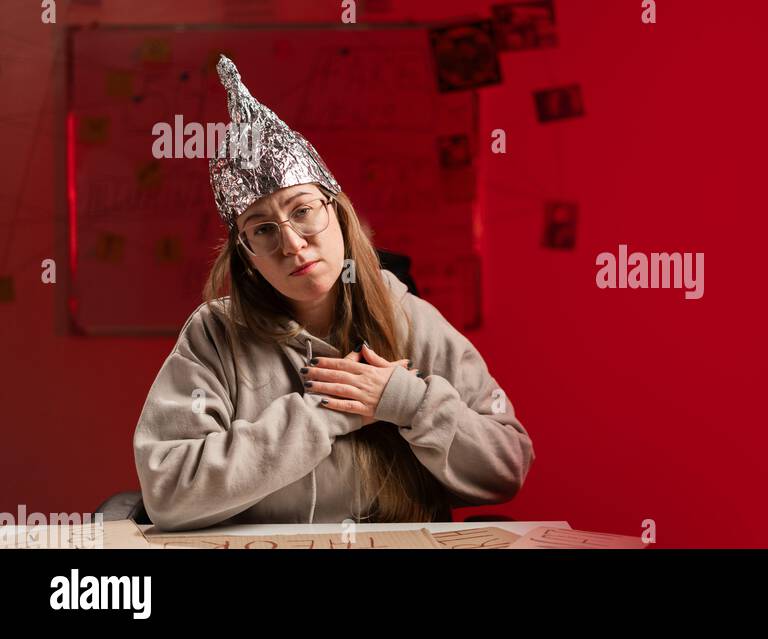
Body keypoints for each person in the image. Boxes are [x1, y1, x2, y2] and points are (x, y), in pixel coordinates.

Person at [132, 55, 534, 531]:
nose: (292, 244)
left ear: (337, 211)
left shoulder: (410, 318)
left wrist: (406, 402)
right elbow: (168, 492)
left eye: (303, 211)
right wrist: (324, 413)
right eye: (263, 230)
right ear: (246, 254)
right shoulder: (214, 336)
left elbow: (506, 467)